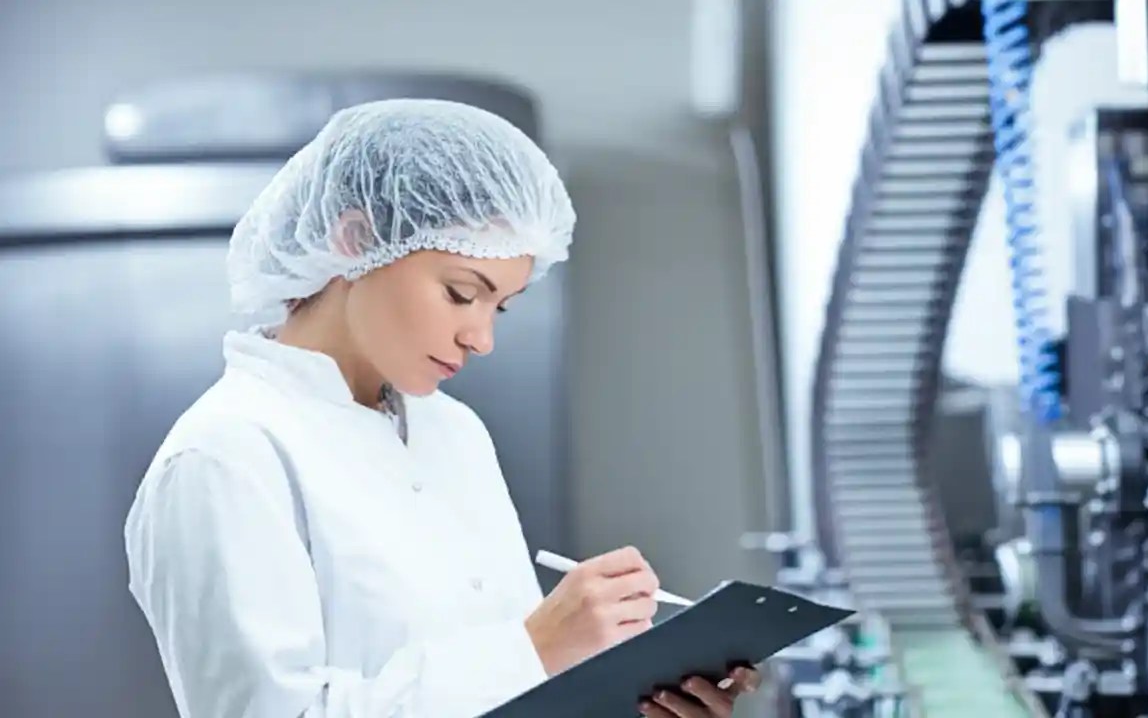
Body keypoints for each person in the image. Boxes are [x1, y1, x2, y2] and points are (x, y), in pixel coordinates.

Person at [123, 98, 760, 718]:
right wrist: (535, 646)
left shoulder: (452, 429)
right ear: (354, 239)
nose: (481, 339)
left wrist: (629, 699)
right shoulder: (224, 456)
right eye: (461, 293)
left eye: (499, 307)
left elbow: (509, 695)